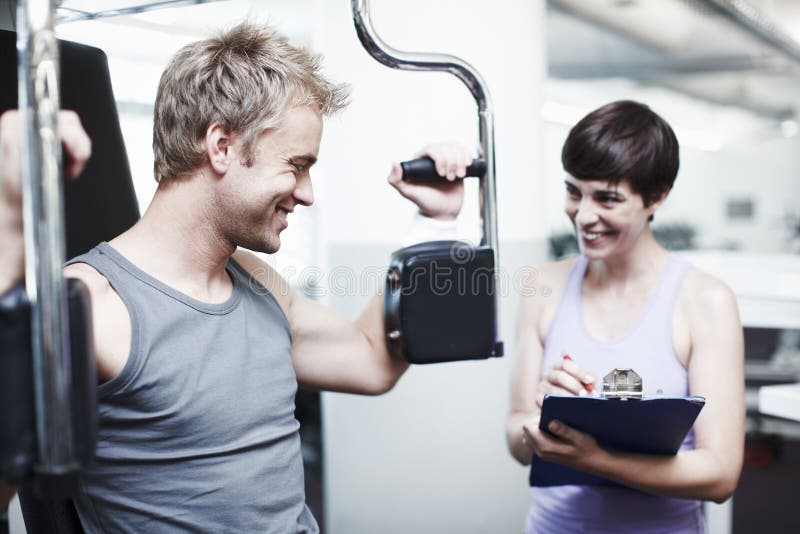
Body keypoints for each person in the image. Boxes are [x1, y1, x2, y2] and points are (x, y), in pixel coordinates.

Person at [0, 22, 472, 532]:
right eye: (297, 165)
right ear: (221, 145)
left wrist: (433, 226)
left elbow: (372, 360)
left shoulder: (257, 282)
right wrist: (9, 217)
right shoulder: (94, 304)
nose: (307, 192)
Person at [505, 100, 745, 533]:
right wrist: (539, 417)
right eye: (573, 191)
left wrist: (596, 460)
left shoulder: (705, 301)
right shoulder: (542, 286)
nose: (584, 214)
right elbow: (516, 442)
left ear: (656, 197)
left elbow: (721, 473)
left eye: (608, 198)